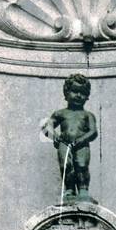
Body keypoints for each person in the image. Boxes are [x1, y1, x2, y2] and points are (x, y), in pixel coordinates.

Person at [44, 73, 97, 201]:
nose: (79, 95)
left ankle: (83, 190)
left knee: (82, 165)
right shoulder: (60, 113)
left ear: (87, 96)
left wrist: (82, 139)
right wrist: (54, 136)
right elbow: (46, 127)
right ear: (66, 93)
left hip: (81, 144)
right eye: (75, 91)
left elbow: (93, 132)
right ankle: (69, 190)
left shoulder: (87, 115)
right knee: (66, 166)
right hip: (65, 143)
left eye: (83, 93)